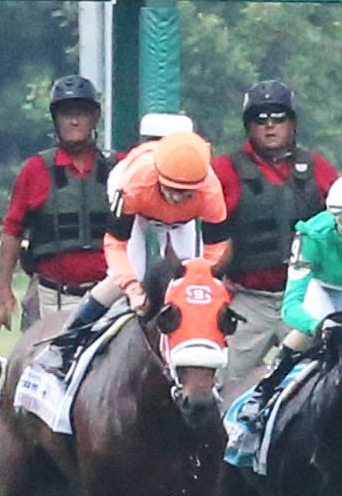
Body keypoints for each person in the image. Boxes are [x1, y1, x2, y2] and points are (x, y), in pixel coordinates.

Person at [225, 171, 342, 469]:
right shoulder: (312, 235)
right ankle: (260, 400)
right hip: (325, 290)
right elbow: (291, 306)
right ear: (333, 218)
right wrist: (318, 326)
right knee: (299, 339)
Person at [30, 126, 230, 379]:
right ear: (159, 176)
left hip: (183, 221)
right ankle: (64, 346)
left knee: (190, 285)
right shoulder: (135, 183)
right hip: (138, 207)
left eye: (185, 193)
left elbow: (215, 251)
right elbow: (115, 243)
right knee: (124, 276)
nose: (177, 198)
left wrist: (200, 283)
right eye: (171, 189)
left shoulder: (211, 192)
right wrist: (132, 287)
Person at [213, 78, 340, 400]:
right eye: (260, 119)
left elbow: (340, 230)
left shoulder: (319, 169)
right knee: (221, 382)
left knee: (322, 379)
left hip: (302, 297)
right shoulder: (225, 170)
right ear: (248, 126)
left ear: (292, 123)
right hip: (247, 299)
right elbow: (207, 233)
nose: (270, 126)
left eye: (278, 118)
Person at [0, 75, 112, 344]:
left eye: (81, 113)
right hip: (52, 295)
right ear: (56, 119)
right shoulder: (35, 170)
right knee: (38, 361)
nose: (74, 121)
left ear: (94, 118)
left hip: (109, 295)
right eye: (66, 114)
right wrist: (4, 288)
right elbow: (12, 230)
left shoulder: (117, 167)